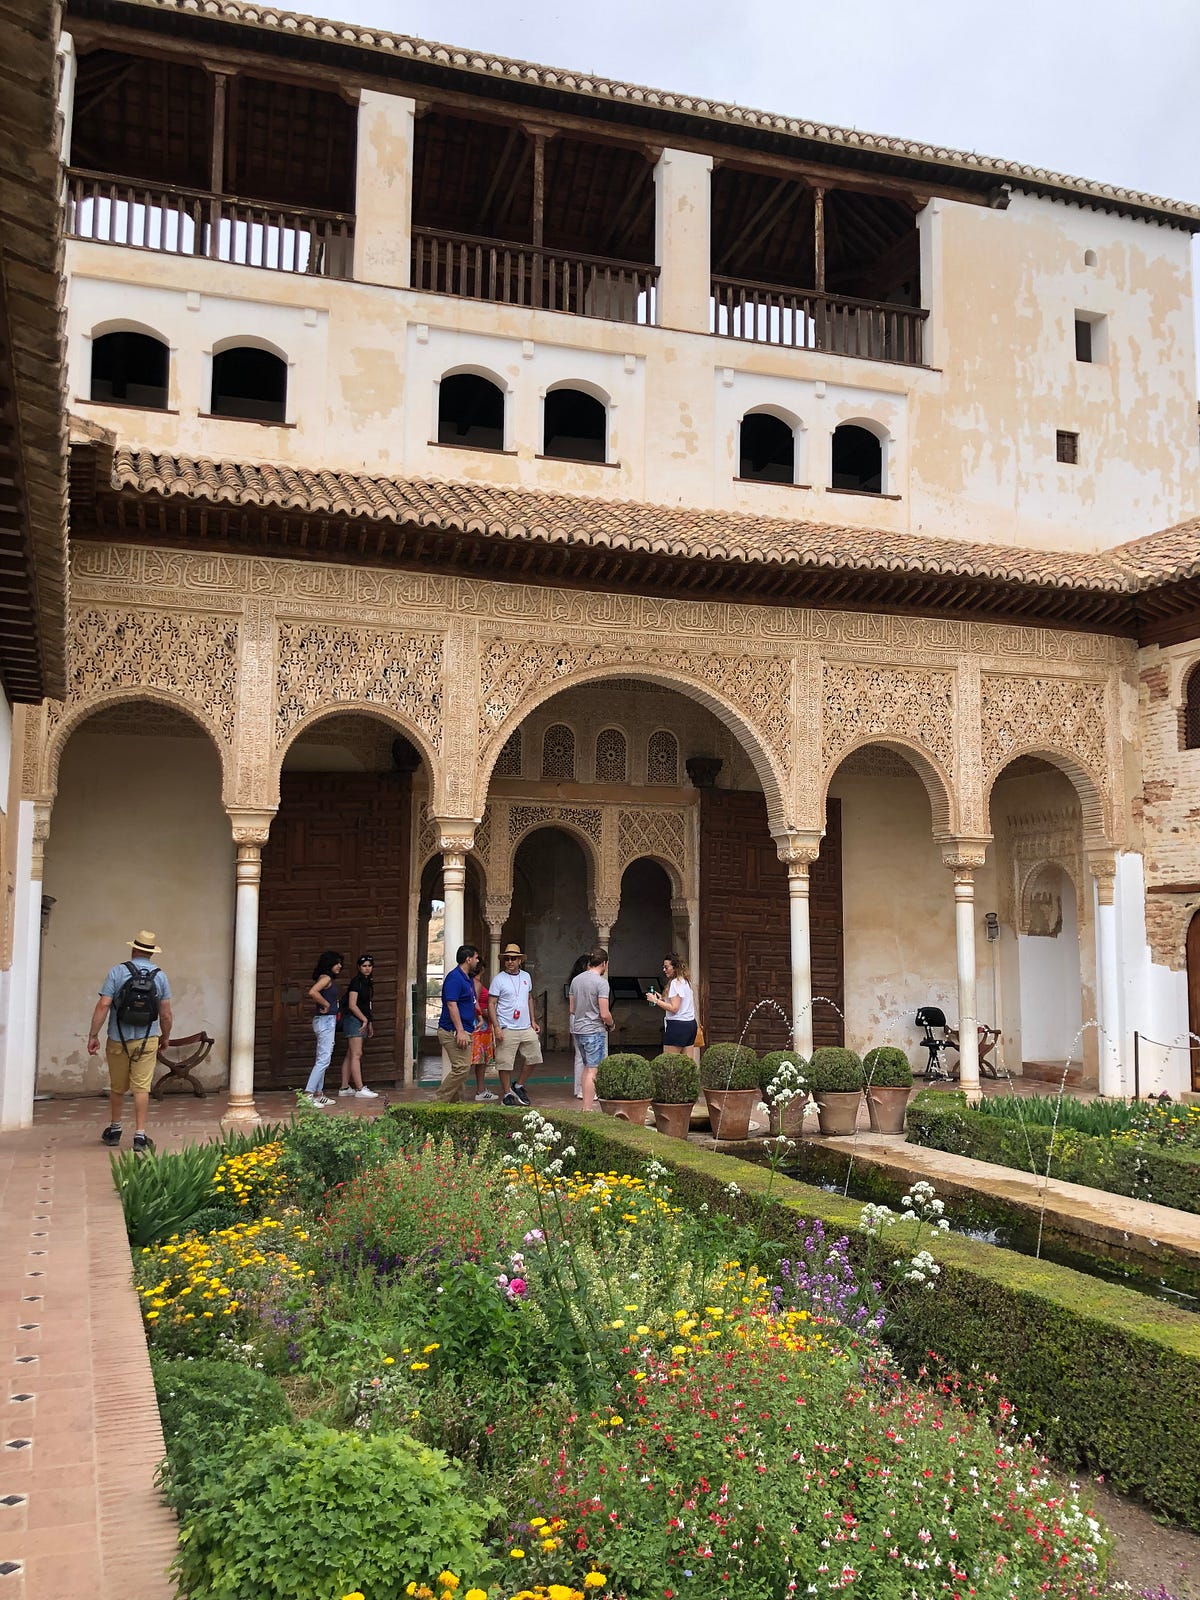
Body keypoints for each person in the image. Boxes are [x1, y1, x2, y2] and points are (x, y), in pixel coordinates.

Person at [89, 929, 173, 1153]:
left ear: (133, 949)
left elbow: (104, 1004)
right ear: (152, 953)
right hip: (148, 1040)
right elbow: (165, 1014)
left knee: (117, 1087)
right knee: (141, 1088)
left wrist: (93, 1035)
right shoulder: (161, 976)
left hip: (118, 1039)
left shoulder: (117, 971)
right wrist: (165, 1037)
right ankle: (140, 1135)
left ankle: (115, 1130)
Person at [489, 942, 541, 1107]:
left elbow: (529, 998)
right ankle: (506, 1094)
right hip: (507, 1027)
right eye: (507, 959)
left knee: (534, 1057)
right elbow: (491, 1004)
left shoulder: (526, 977)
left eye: (513, 958)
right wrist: (496, 1027)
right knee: (505, 1062)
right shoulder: (499, 979)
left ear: (520, 961)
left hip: (525, 1026)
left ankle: (518, 1085)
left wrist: (533, 1020)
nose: (510, 961)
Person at [569, 948, 614, 1113]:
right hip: (594, 1029)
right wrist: (611, 1024)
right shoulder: (601, 983)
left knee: (586, 1066)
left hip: (579, 1028)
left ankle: (585, 1105)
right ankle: (587, 1108)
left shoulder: (576, 980)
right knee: (593, 1068)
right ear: (604, 963)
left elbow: (572, 1008)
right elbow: (604, 1013)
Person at [436, 944, 480, 1103]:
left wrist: (478, 1016)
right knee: (462, 1068)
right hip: (452, 1031)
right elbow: (451, 1004)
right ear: (468, 959)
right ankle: (438, 1101)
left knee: (460, 1069)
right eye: (475, 957)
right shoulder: (455, 978)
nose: (477, 960)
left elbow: (469, 1001)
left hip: (464, 1029)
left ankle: (457, 1105)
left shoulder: (466, 978)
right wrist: (460, 1030)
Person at [304, 950, 343, 1106]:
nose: (340, 966)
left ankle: (318, 1093)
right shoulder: (326, 978)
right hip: (325, 1021)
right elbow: (312, 992)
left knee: (323, 1058)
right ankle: (308, 1094)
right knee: (323, 1060)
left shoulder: (326, 978)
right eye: (337, 963)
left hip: (327, 1021)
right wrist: (326, 1004)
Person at [338, 954, 378, 1099]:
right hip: (354, 1019)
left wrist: (369, 1021)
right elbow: (352, 1004)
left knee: (351, 1053)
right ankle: (360, 1088)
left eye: (369, 966)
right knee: (357, 1054)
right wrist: (364, 1020)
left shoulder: (368, 982)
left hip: (361, 1019)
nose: (367, 969)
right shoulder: (356, 982)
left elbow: (367, 1005)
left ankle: (344, 1087)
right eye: (364, 966)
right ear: (359, 967)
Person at [646, 952, 697, 1055]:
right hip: (690, 1024)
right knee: (687, 1064)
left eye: (666, 967)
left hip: (677, 1025)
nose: (664, 970)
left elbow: (674, 1008)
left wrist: (655, 1001)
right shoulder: (686, 981)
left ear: (675, 968)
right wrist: (662, 999)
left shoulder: (674, 983)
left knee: (670, 1064)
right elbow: (680, 1003)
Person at [471, 969, 498, 1102]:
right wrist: (487, 1014)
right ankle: (480, 1090)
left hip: (483, 1026)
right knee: (478, 1060)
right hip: (480, 1027)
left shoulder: (473, 982)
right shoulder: (476, 983)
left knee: (481, 1061)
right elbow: (473, 1003)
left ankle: (481, 1089)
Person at [567, 951, 590, 1098]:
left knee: (579, 1056)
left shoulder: (574, 981)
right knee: (589, 1057)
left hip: (575, 1018)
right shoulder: (586, 982)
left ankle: (579, 1089)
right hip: (585, 1019)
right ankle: (586, 1089)